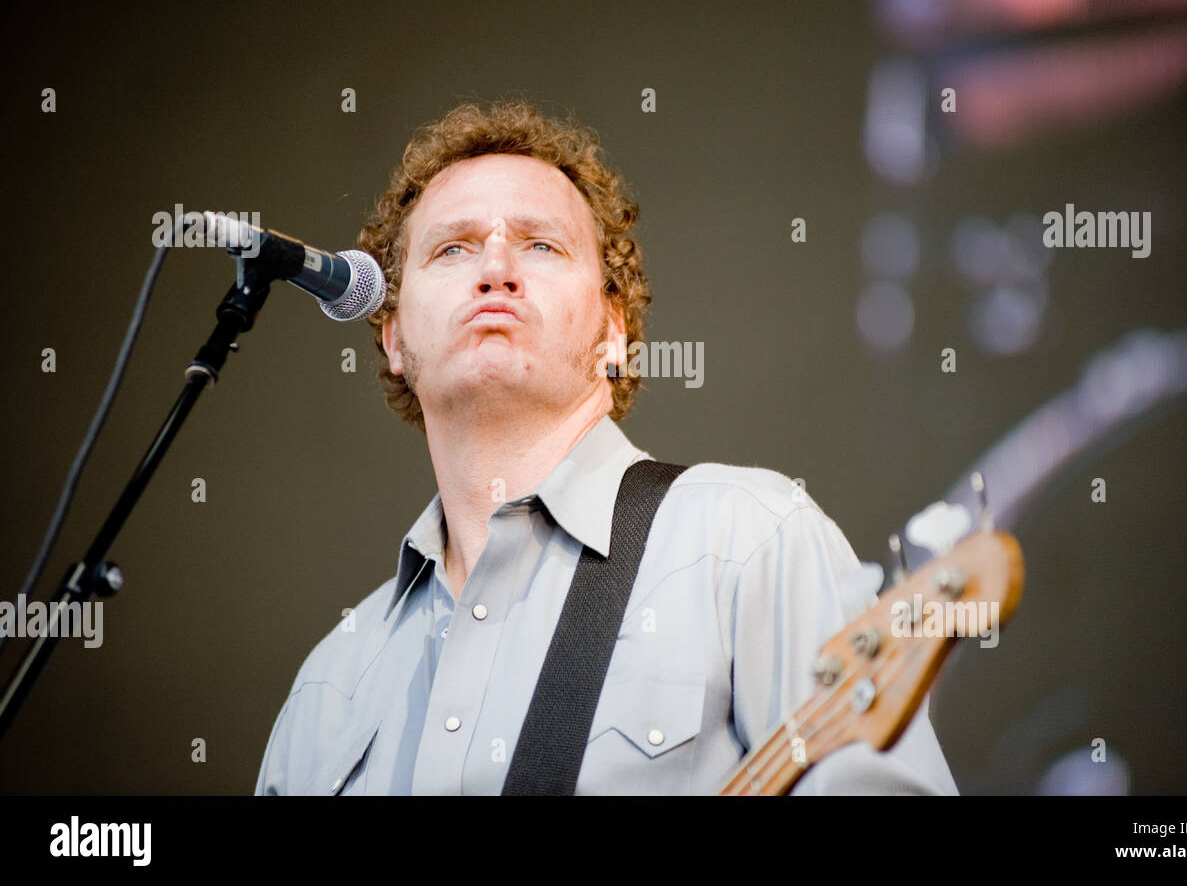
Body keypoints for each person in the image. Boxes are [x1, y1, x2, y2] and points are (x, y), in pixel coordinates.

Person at [255, 97, 959, 795]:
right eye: (452, 248)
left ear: (613, 330)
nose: (495, 269)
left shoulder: (747, 542)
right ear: (393, 336)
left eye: (540, 245)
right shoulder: (330, 684)